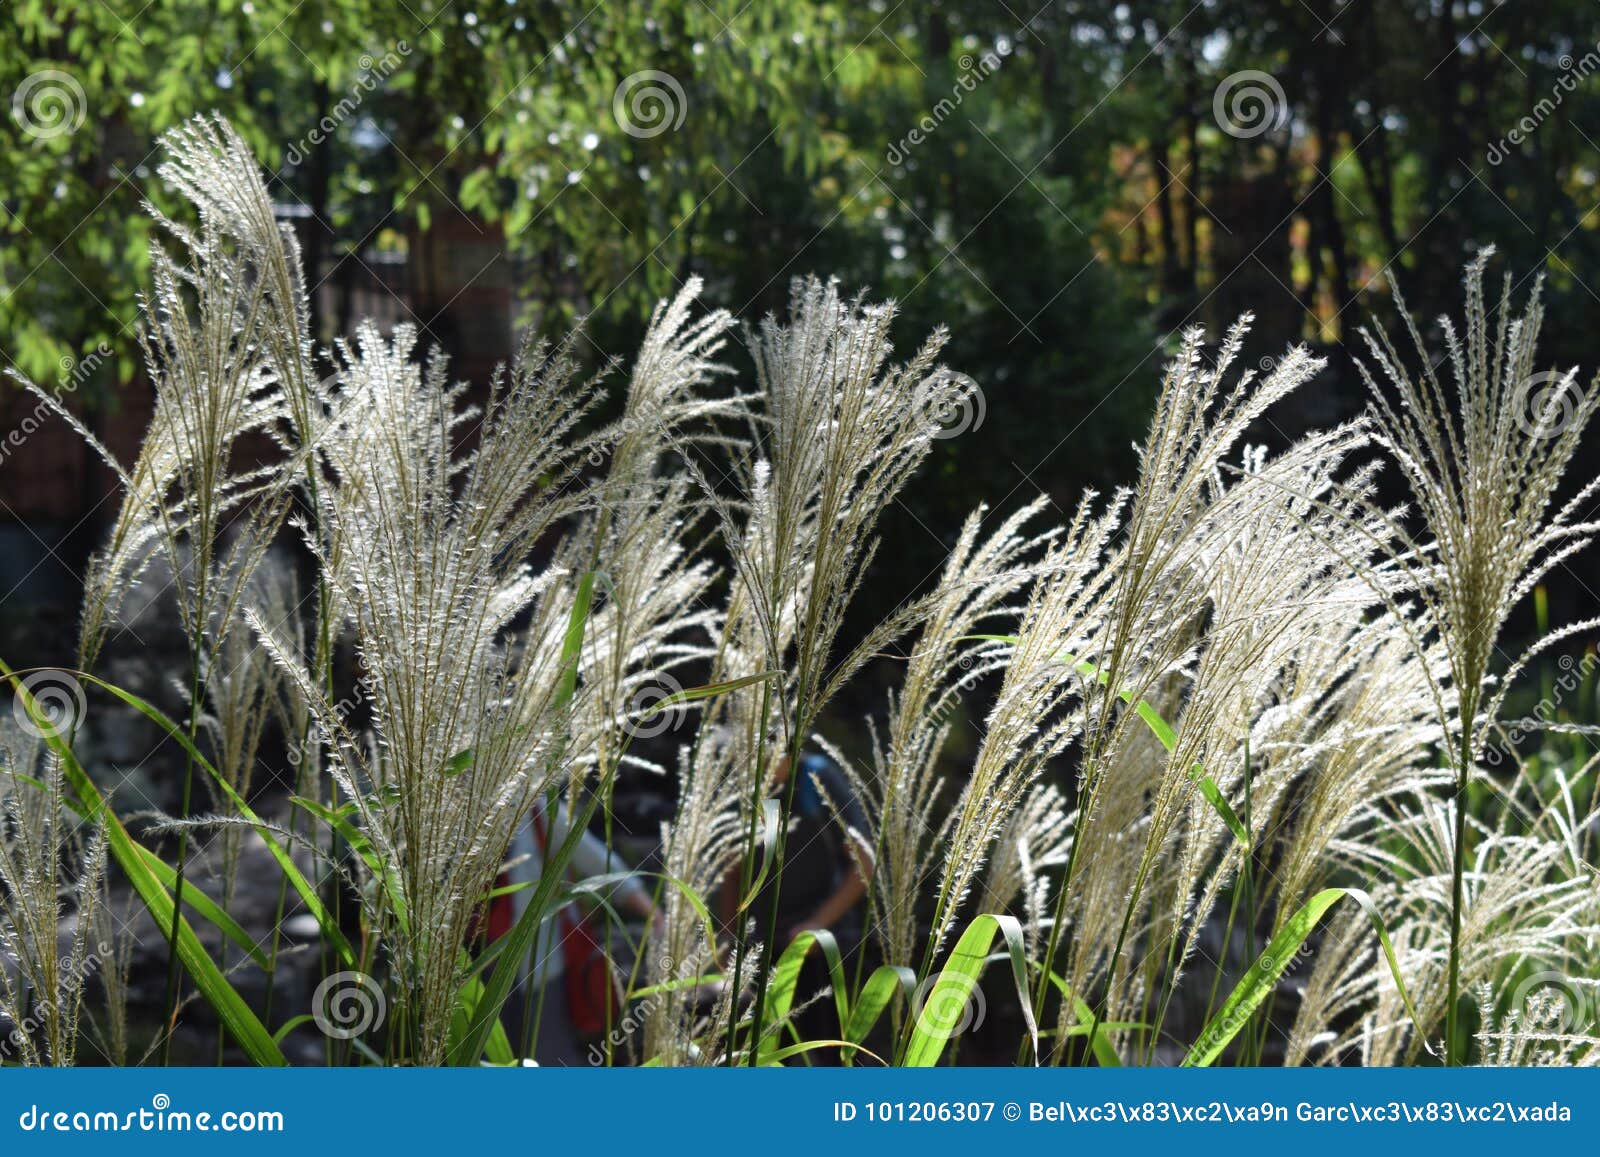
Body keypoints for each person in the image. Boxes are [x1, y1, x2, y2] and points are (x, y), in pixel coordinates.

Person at [489, 795, 661, 1065]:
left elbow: (597, 862)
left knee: (548, 1056)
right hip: (472, 972)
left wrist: (655, 916)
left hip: (540, 967)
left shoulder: (533, 805)